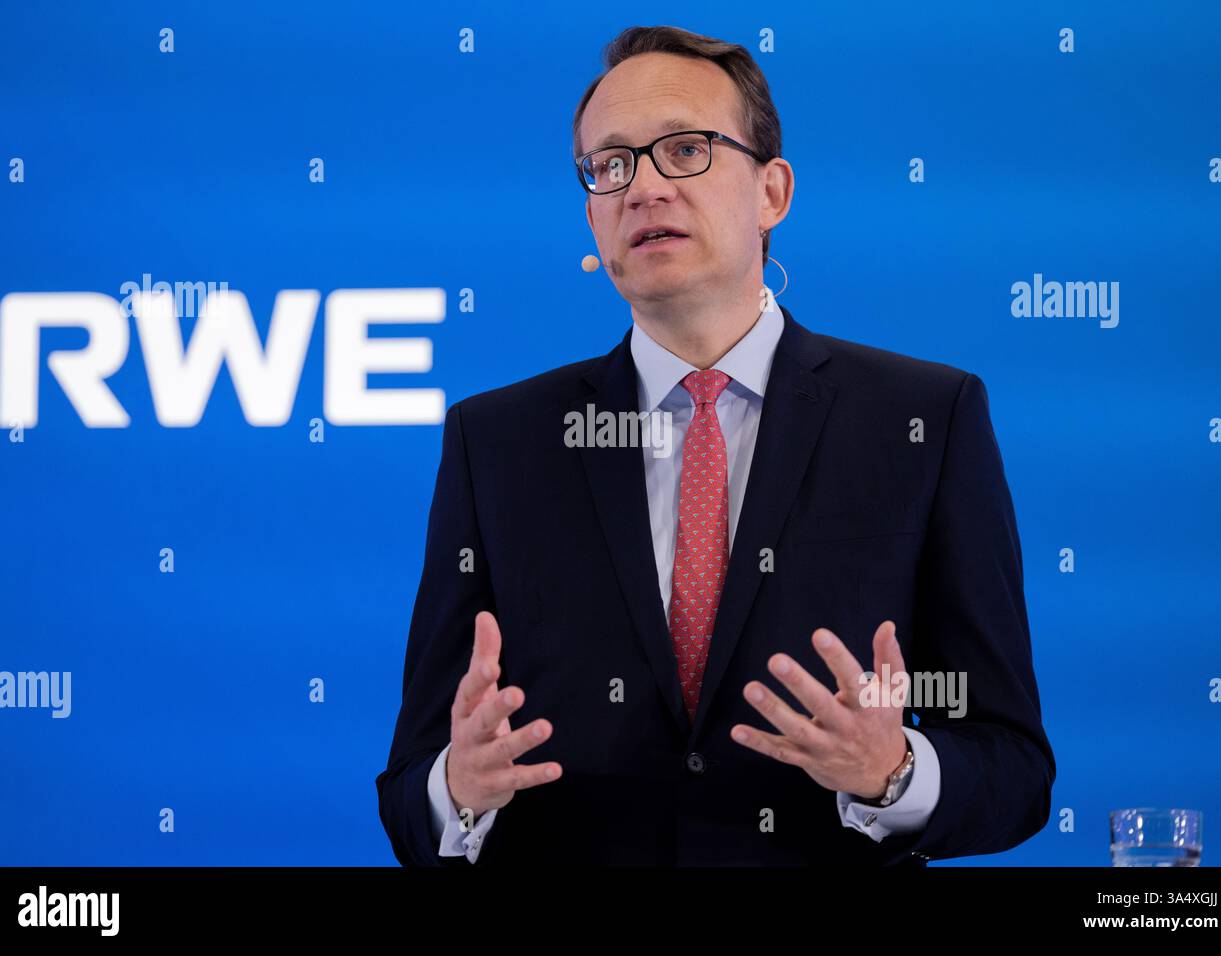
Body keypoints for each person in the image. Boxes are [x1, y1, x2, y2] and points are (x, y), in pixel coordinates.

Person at [376, 25, 1054, 866]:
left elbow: (1017, 772)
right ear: (591, 210)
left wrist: (892, 772)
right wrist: (459, 787)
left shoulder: (925, 418)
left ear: (773, 192)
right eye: (611, 164)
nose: (644, 187)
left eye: (685, 150)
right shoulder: (497, 441)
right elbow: (410, 795)